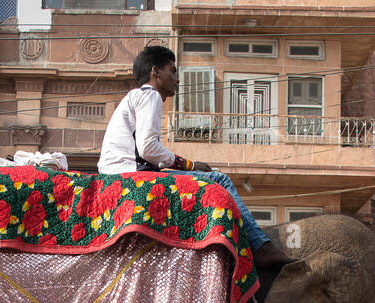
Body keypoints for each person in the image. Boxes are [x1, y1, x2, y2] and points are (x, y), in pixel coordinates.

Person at [99, 45, 292, 271]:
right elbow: (148, 148)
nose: (177, 80)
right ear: (155, 72)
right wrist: (189, 165)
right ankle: (260, 247)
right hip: (133, 177)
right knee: (219, 180)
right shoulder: (149, 95)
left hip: (124, 175)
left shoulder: (136, 98)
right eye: (173, 71)